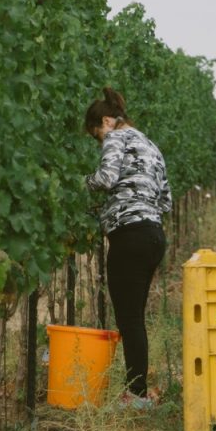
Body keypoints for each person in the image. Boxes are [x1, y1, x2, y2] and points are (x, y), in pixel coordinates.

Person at [84, 87, 171, 404]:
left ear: (106, 121)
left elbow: (106, 178)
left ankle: (136, 396)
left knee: (129, 319)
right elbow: (166, 199)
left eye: (96, 134)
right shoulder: (150, 144)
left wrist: (80, 184)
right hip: (153, 236)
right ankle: (137, 392)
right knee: (135, 317)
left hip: (129, 236)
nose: (99, 140)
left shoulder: (116, 138)